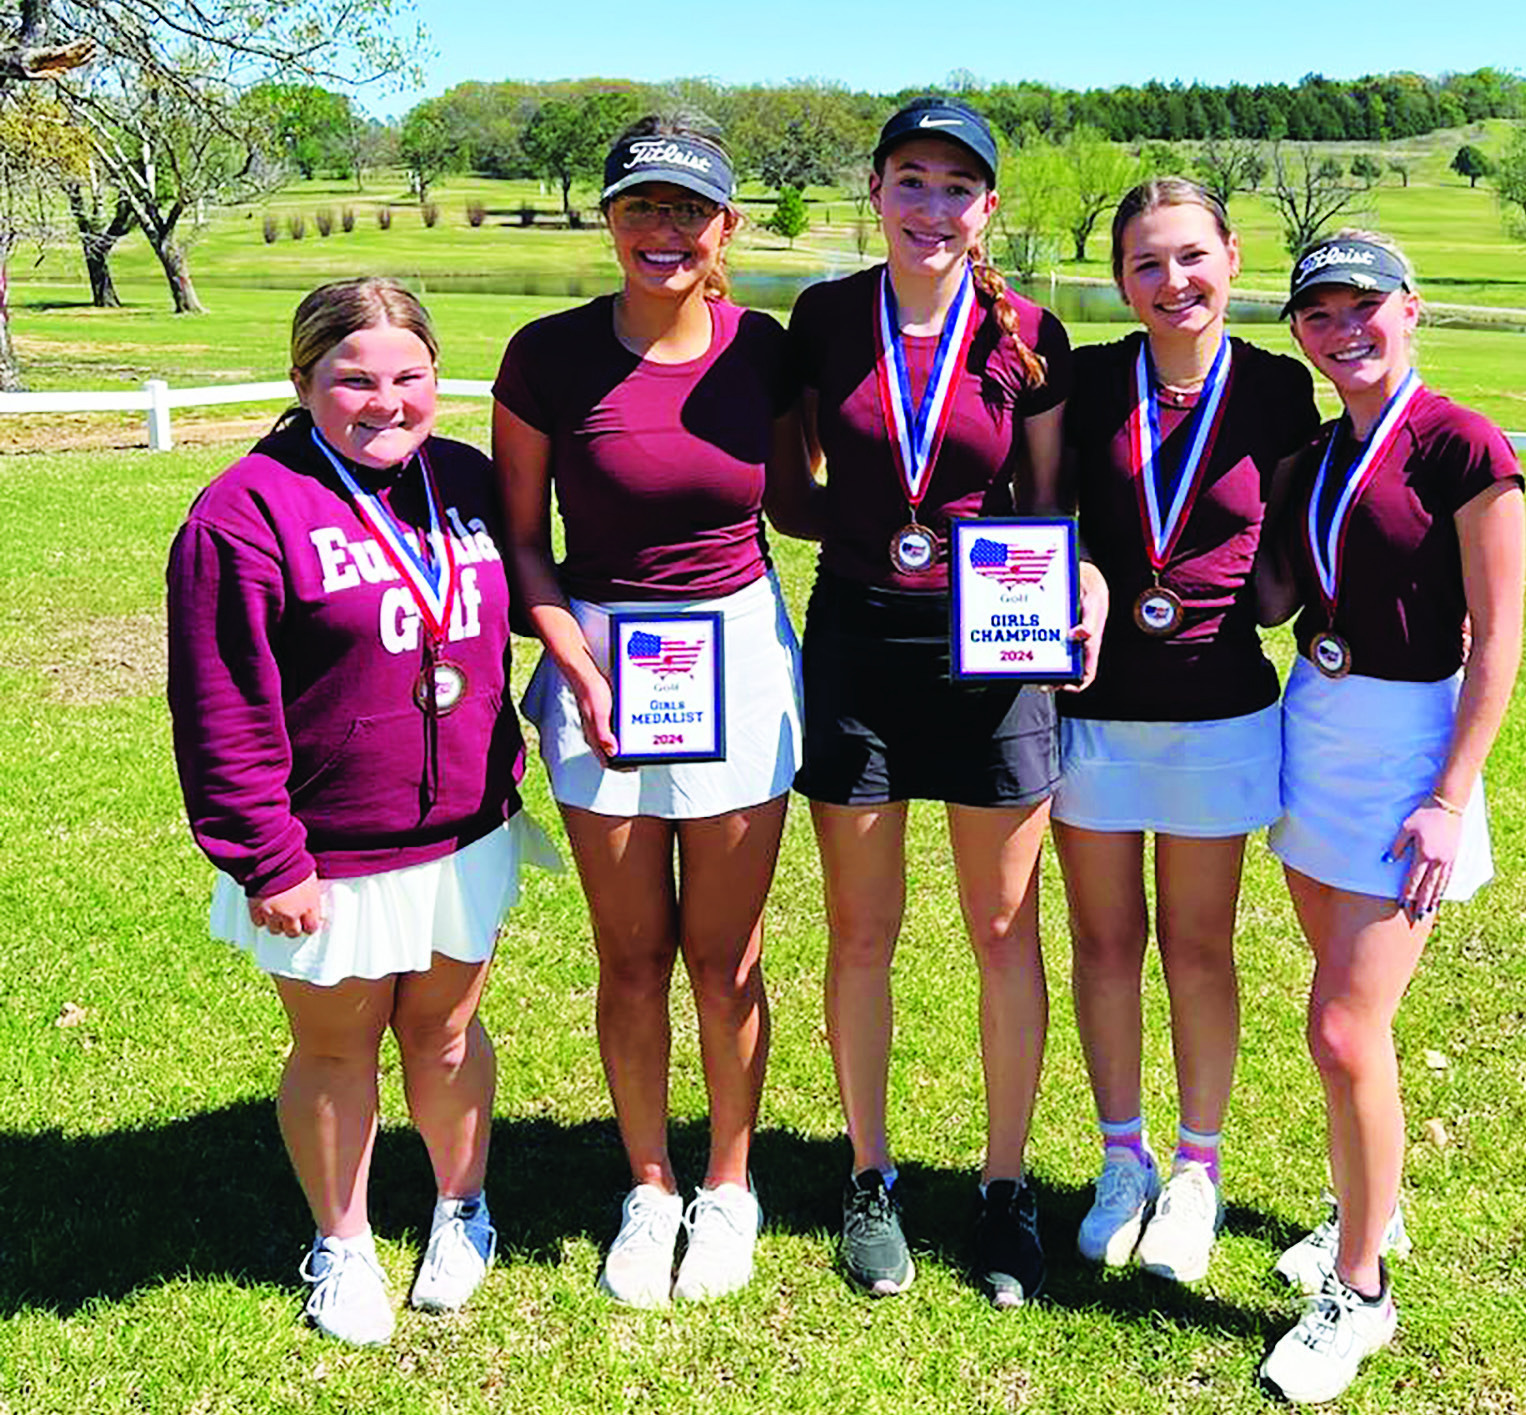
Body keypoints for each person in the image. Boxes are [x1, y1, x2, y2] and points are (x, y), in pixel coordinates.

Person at [167, 277, 555, 1345]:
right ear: (304, 381)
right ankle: (341, 1242)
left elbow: (537, 597)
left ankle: (461, 1207)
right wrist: (268, 857)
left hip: (467, 825)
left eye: (408, 376)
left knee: (444, 1032)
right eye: (354, 379)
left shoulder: (466, 479)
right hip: (328, 848)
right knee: (337, 1051)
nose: (385, 401)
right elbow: (221, 706)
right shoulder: (244, 509)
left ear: (436, 378)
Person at [776, 94, 1102, 1309]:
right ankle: (869, 1175)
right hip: (860, 636)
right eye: (910, 180)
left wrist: (1049, 587)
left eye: (956, 186)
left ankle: (1006, 1184)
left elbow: (1050, 505)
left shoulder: (1029, 335)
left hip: (994, 647)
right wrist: (885, 536)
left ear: (989, 208)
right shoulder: (820, 318)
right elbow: (787, 490)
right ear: (877, 193)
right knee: (863, 930)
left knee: (1003, 928)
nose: (932, 206)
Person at [492, 114, 805, 1308]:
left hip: (735, 656)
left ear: (725, 227)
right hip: (602, 659)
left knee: (724, 956)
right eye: (642, 206)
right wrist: (566, 646)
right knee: (632, 954)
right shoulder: (546, 356)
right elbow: (524, 537)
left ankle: (729, 1184)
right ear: (609, 218)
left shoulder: (762, 350)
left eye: (689, 209)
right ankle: (650, 1185)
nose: (663, 230)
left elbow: (819, 490)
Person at [1255, 230, 1526, 1403]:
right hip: (1315, 720)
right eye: (1319, 312)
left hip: (1412, 746)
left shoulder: (1466, 444)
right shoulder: (1314, 449)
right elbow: (1273, 589)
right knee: (1345, 1008)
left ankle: (1360, 1291)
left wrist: (1450, 795)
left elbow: (1501, 636)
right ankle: (1370, 1207)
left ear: (1412, 308)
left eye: (1364, 304)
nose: (1343, 327)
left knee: (1343, 1029)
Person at [1053, 179, 1319, 1281]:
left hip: (1220, 711)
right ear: (1122, 279)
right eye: (1148, 265)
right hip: (1099, 713)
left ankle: (1196, 1169)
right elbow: (1050, 518)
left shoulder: (1275, 389)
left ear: (1231, 257)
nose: (1174, 283)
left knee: (1199, 946)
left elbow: (1302, 538)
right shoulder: (1090, 379)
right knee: (1106, 943)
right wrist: (1089, 579)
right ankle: (1124, 1159)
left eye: (1192, 257)